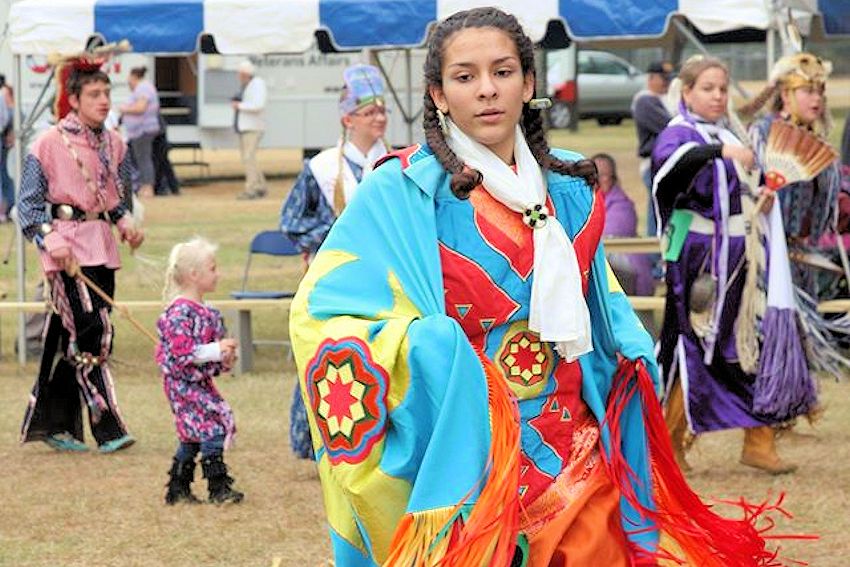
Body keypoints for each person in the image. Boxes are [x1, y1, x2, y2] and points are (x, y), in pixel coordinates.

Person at [291, 9, 782, 566]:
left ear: (528, 84)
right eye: (464, 76)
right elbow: (323, 313)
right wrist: (436, 352)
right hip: (468, 452)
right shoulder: (401, 192)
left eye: (502, 72)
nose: (486, 91)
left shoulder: (570, 186)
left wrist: (629, 347)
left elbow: (598, 297)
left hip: (571, 442)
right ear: (438, 94)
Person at [653, 55, 813, 476]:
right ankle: (670, 441)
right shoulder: (682, 135)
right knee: (696, 347)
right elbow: (671, 169)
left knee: (746, 345)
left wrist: (761, 197)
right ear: (686, 92)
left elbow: (739, 193)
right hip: (698, 261)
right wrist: (721, 151)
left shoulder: (728, 132)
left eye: (722, 88)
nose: (718, 96)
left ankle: (758, 441)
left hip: (741, 259)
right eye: (707, 88)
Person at [18, 56, 143, 453]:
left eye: (107, 93)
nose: (104, 100)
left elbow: (116, 199)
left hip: (101, 248)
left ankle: (54, 423)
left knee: (72, 333)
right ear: (73, 100)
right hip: (65, 248)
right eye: (94, 94)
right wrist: (51, 241)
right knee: (94, 331)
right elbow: (29, 206)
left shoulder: (115, 143)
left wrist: (124, 222)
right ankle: (108, 425)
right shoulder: (47, 143)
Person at [281, 64, 390, 460]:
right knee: (325, 351)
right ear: (348, 119)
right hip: (331, 278)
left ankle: (374, 437)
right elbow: (292, 221)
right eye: (368, 112)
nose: (378, 118)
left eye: (382, 110)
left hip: (384, 279)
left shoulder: (395, 165)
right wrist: (333, 240)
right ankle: (314, 440)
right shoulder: (322, 169)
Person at [745, 53, 849, 377]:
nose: (816, 99)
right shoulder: (763, 134)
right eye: (808, 91)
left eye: (820, 91)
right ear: (786, 94)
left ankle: (783, 411)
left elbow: (827, 211)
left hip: (802, 257)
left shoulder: (816, 142)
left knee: (799, 348)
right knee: (770, 341)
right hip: (764, 258)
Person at [157, 237, 244, 505]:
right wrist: (217, 350)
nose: (218, 274)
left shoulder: (207, 313)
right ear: (194, 275)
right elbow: (183, 352)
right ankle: (218, 488)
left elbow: (207, 354)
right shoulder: (179, 313)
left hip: (197, 382)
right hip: (181, 384)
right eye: (213, 268)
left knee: (194, 432)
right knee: (211, 428)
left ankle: (179, 488)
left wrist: (224, 359)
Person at [593, 153, 656, 335]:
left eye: (604, 175)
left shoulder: (621, 205)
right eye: (594, 174)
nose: (598, 180)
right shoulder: (589, 201)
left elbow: (604, 240)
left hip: (629, 271)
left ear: (612, 178)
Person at [632, 61, 673, 238]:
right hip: (654, 163)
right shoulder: (645, 100)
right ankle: (655, 260)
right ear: (651, 78)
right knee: (657, 216)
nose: (666, 82)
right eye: (662, 78)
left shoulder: (662, 99)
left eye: (668, 79)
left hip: (665, 163)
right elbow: (670, 129)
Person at [119, 66, 160, 198]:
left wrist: (124, 109)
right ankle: (143, 185)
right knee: (141, 158)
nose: (128, 83)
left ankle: (148, 187)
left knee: (144, 158)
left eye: (129, 79)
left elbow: (141, 107)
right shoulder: (142, 88)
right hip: (139, 130)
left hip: (142, 129)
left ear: (134, 77)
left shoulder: (143, 88)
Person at [232, 60, 267, 200]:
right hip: (246, 127)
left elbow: (258, 105)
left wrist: (239, 106)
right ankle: (260, 186)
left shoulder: (257, 84)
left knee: (248, 158)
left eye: (240, 74)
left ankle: (252, 188)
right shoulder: (248, 85)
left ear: (245, 73)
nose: (238, 77)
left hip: (253, 127)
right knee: (250, 158)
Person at [0, 75, 15, 221]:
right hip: (4, 138)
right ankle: (9, 206)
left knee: (3, 174)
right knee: (4, 174)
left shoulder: (2, 95)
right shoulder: (7, 95)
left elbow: (3, 119)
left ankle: (3, 211)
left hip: (2, 137)